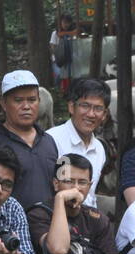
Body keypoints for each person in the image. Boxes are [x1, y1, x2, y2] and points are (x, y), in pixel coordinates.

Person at [0, 71, 58, 212]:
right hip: (6, 229)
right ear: (4, 104)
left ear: (39, 101)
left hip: (46, 228)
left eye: (32, 100)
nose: (26, 106)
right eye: (18, 100)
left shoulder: (48, 141)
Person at [46, 78, 110, 208]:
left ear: (104, 114)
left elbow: (90, 196)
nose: (91, 114)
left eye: (98, 108)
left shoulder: (99, 149)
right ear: (71, 107)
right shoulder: (51, 140)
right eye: (85, 106)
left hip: (85, 223)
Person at [49, 13, 79, 90]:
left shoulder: (73, 33)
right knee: (59, 75)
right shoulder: (55, 33)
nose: (66, 24)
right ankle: (57, 90)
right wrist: (60, 55)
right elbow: (53, 48)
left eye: (68, 22)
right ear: (60, 22)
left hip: (71, 59)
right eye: (64, 22)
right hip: (58, 59)